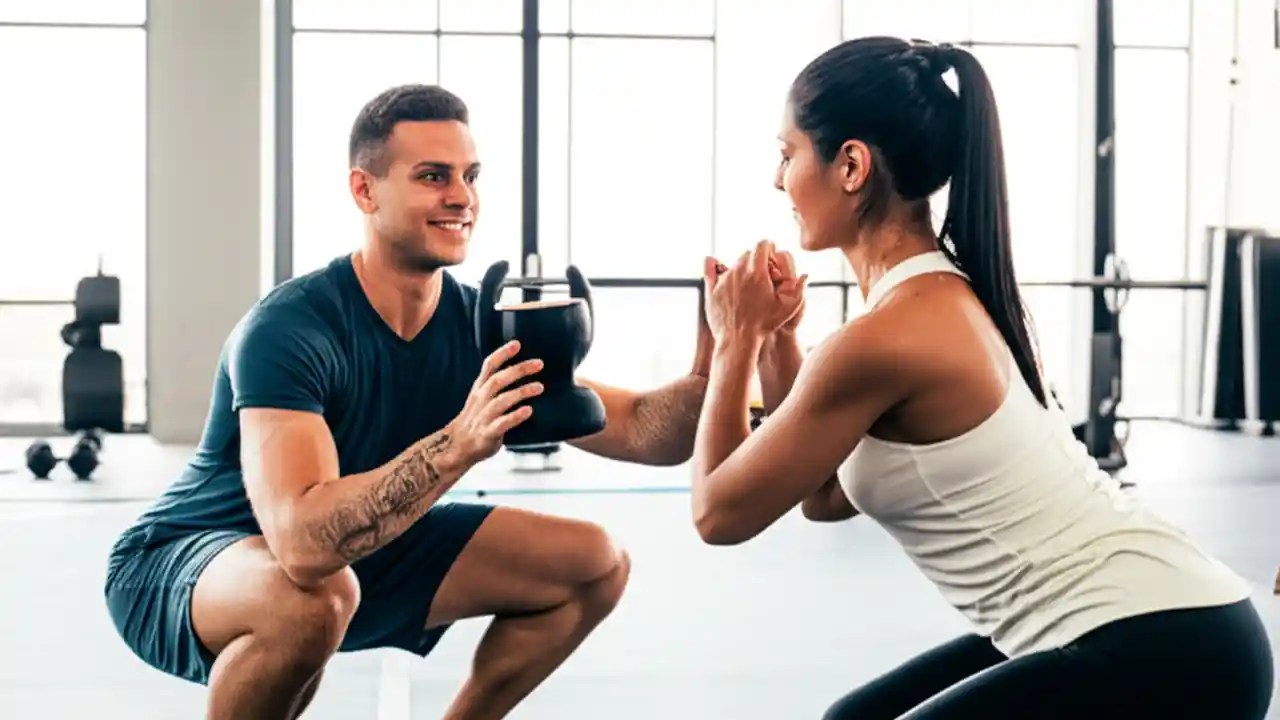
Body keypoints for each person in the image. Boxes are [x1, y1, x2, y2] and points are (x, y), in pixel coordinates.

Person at [102, 84, 731, 720]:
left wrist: (724, 356)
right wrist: (458, 445)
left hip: (356, 554)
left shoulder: (475, 325)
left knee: (593, 563)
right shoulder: (293, 329)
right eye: (433, 176)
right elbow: (300, 545)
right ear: (364, 191)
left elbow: (641, 431)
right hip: (192, 561)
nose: (462, 197)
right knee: (309, 601)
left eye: (470, 175)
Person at [690, 37, 1274, 719]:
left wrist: (736, 338)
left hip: (1167, 646)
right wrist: (779, 342)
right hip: (1179, 625)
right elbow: (822, 496)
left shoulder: (889, 336)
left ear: (851, 165)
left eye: (787, 154)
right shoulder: (942, 299)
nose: (776, 178)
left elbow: (718, 514)